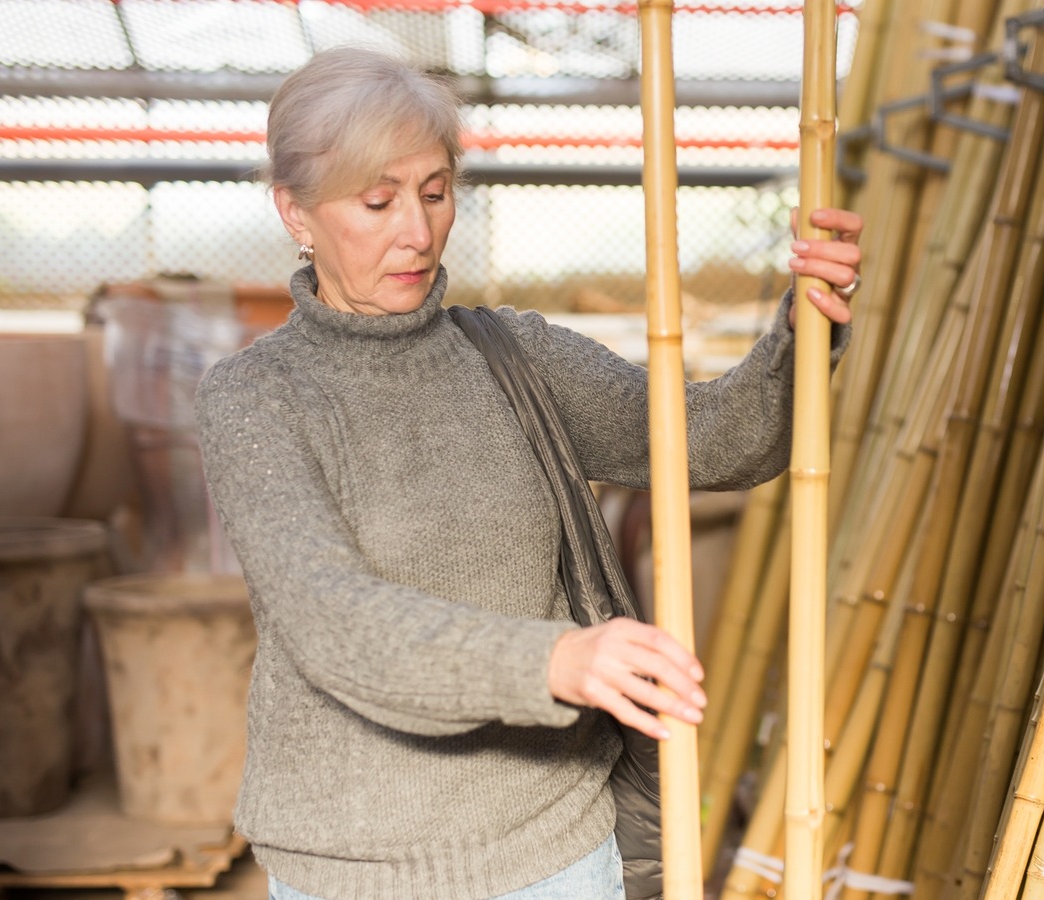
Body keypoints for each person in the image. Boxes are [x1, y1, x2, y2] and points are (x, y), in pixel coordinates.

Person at [195, 47, 863, 900]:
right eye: (377, 201)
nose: (418, 230)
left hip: (558, 854)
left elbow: (709, 441)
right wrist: (558, 660)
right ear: (295, 212)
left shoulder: (513, 357)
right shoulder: (257, 398)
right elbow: (335, 621)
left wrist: (799, 332)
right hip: (356, 873)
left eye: (436, 193)